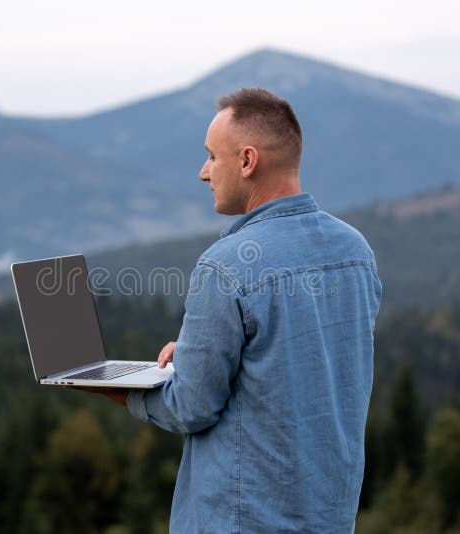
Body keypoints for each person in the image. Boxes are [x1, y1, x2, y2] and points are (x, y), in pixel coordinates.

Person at [88, 87, 382, 532]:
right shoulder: (355, 251)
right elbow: (301, 367)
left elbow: (191, 406)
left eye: (211, 156)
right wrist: (198, 356)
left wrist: (126, 394)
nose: (203, 172)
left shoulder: (225, 267)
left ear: (247, 161)